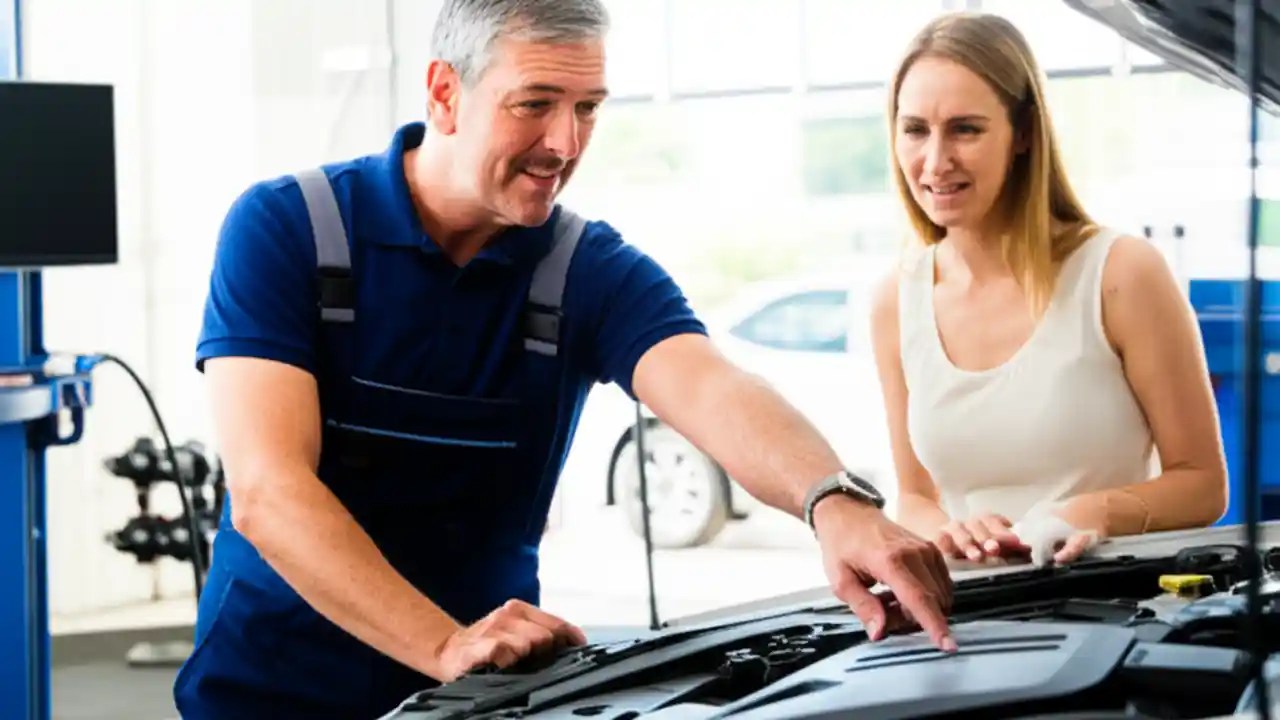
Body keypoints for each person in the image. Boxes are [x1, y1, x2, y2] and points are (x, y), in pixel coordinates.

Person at [174, 1, 955, 717]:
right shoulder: (289, 229)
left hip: (485, 701)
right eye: (535, 104)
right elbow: (268, 490)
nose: (566, 144)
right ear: (444, 93)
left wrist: (834, 501)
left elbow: (711, 386)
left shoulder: (586, 269)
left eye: (587, 109)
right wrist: (446, 646)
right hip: (271, 691)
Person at [872, 11, 1229, 570]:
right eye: (915, 129)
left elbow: (1204, 485)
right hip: (965, 619)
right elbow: (914, 498)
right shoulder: (896, 298)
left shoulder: (1120, 274)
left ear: (1024, 134)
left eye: (965, 129)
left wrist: (1093, 511)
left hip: (1111, 613)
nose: (935, 161)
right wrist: (951, 529)